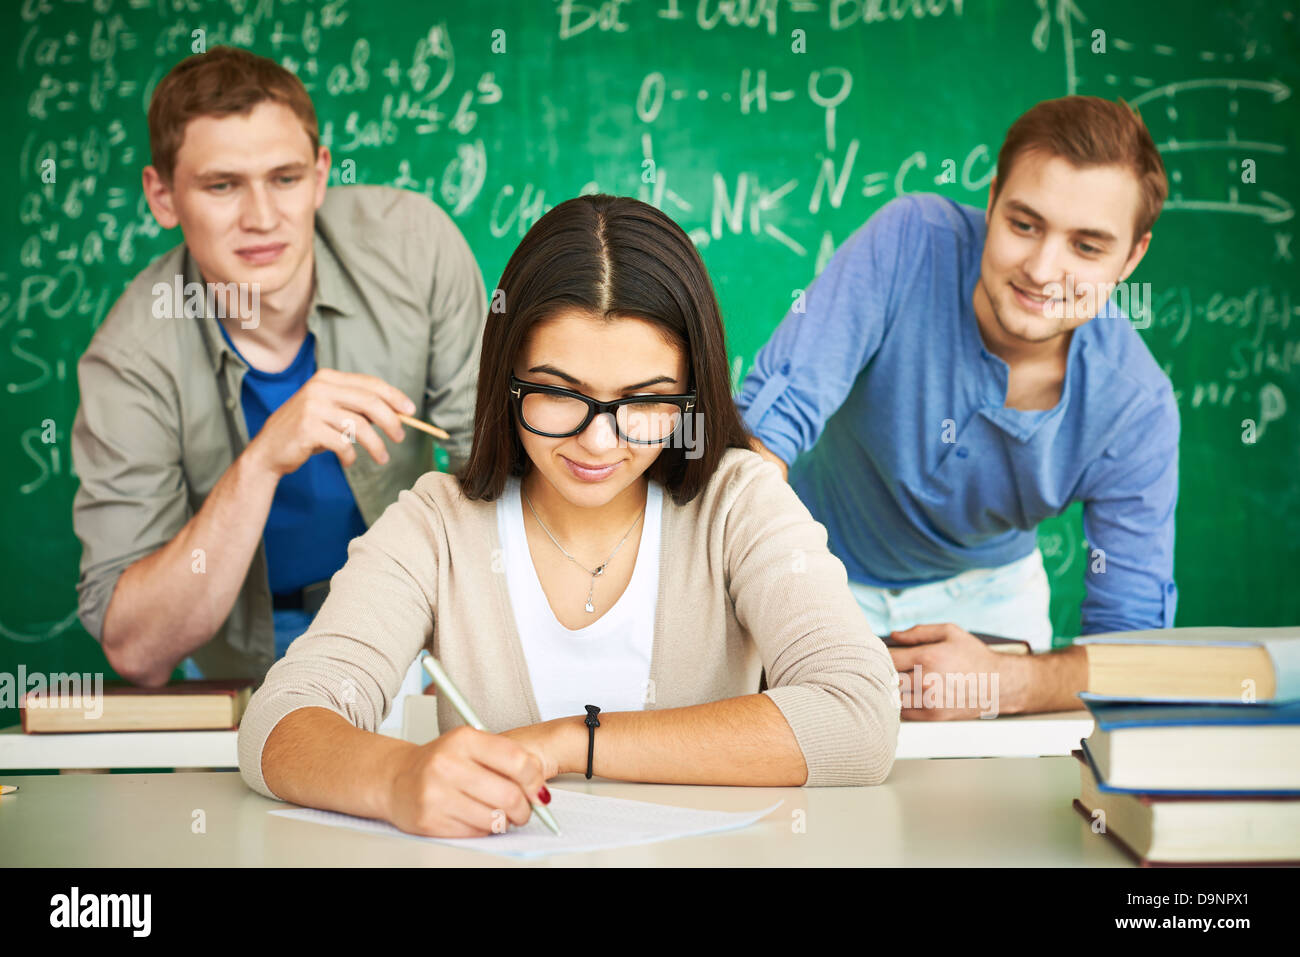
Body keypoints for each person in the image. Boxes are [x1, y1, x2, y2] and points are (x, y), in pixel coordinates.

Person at [238, 194, 900, 837]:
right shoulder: (436, 526)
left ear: (690, 397)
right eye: (559, 393)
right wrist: (397, 776)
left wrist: (566, 741)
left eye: (645, 402)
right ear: (506, 378)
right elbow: (279, 720)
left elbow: (857, 717)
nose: (600, 442)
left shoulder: (738, 503)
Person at [71, 47, 485, 729]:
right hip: (238, 656)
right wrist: (264, 458)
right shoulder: (128, 359)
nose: (261, 217)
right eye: (222, 186)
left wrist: (474, 644)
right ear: (162, 197)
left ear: (320, 175)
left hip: (416, 621)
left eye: (285, 178)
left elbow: (491, 467)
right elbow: (137, 650)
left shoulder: (415, 246)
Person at [739, 96, 1179, 719]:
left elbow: (1134, 650)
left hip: (991, 614)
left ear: (1132, 257)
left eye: (1087, 247)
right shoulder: (910, 239)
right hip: (813, 565)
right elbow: (764, 432)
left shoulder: (1138, 408)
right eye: (1024, 224)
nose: (1043, 270)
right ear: (994, 199)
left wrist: (1003, 683)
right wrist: (767, 592)